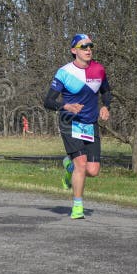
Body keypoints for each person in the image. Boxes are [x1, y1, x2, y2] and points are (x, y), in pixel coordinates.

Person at [43, 34, 111, 220]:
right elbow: (48, 101)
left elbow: (106, 91)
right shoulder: (64, 72)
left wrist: (106, 106)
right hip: (70, 122)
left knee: (93, 170)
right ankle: (78, 207)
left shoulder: (99, 69)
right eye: (83, 46)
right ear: (74, 50)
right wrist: (65, 106)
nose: (88, 49)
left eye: (90, 46)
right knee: (81, 163)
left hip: (90, 123)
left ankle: (69, 166)